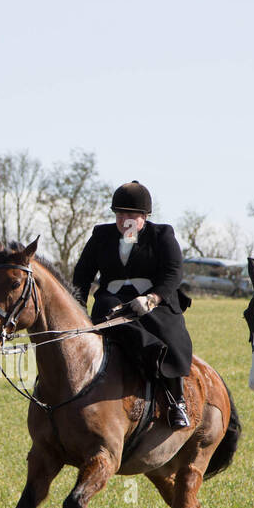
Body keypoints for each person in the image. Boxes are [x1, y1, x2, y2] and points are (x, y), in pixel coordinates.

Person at [71, 180, 193, 429]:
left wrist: (152, 298)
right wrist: (76, 306)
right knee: (102, 320)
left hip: (153, 300)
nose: (124, 219)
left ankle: (175, 399)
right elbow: (82, 274)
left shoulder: (162, 235)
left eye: (131, 215)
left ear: (144, 217)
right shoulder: (101, 235)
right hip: (112, 301)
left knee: (170, 335)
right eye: (120, 214)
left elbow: (173, 273)